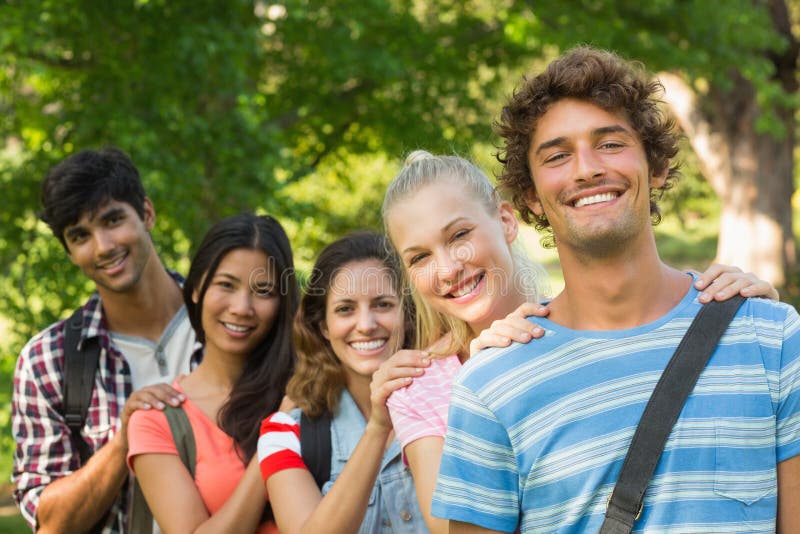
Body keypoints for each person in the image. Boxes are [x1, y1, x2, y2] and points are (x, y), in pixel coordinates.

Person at [428, 47, 800, 532]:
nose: (586, 170)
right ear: (530, 199)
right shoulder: (491, 385)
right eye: (558, 156)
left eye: (609, 144)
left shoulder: (771, 339)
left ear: (658, 166)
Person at [377, 150, 779, 533]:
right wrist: (492, 382)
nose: (447, 268)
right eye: (419, 257)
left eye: (459, 235)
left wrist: (732, 317)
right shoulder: (419, 387)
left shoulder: (592, 323)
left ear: (506, 221)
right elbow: (450, 528)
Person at [12, 147, 200, 533]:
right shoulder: (47, 361)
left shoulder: (227, 325)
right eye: (80, 236)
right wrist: (124, 441)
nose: (103, 246)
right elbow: (51, 525)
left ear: (146, 213)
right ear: (69, 252)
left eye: (113, 220)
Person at [126, 213, 297, 533]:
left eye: (263, 291)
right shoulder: (158, 418)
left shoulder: (310, 391)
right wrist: (277, 435)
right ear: (196, 288)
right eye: (226, 285)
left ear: (281, 303)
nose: (241, 307)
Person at [257, 231, 427, 533]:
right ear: (323, 325)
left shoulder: (453, 402)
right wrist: (378, 427)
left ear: (409, 313)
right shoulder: (285, 434)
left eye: (383, 304)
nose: (365, 325)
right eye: (345, 309)